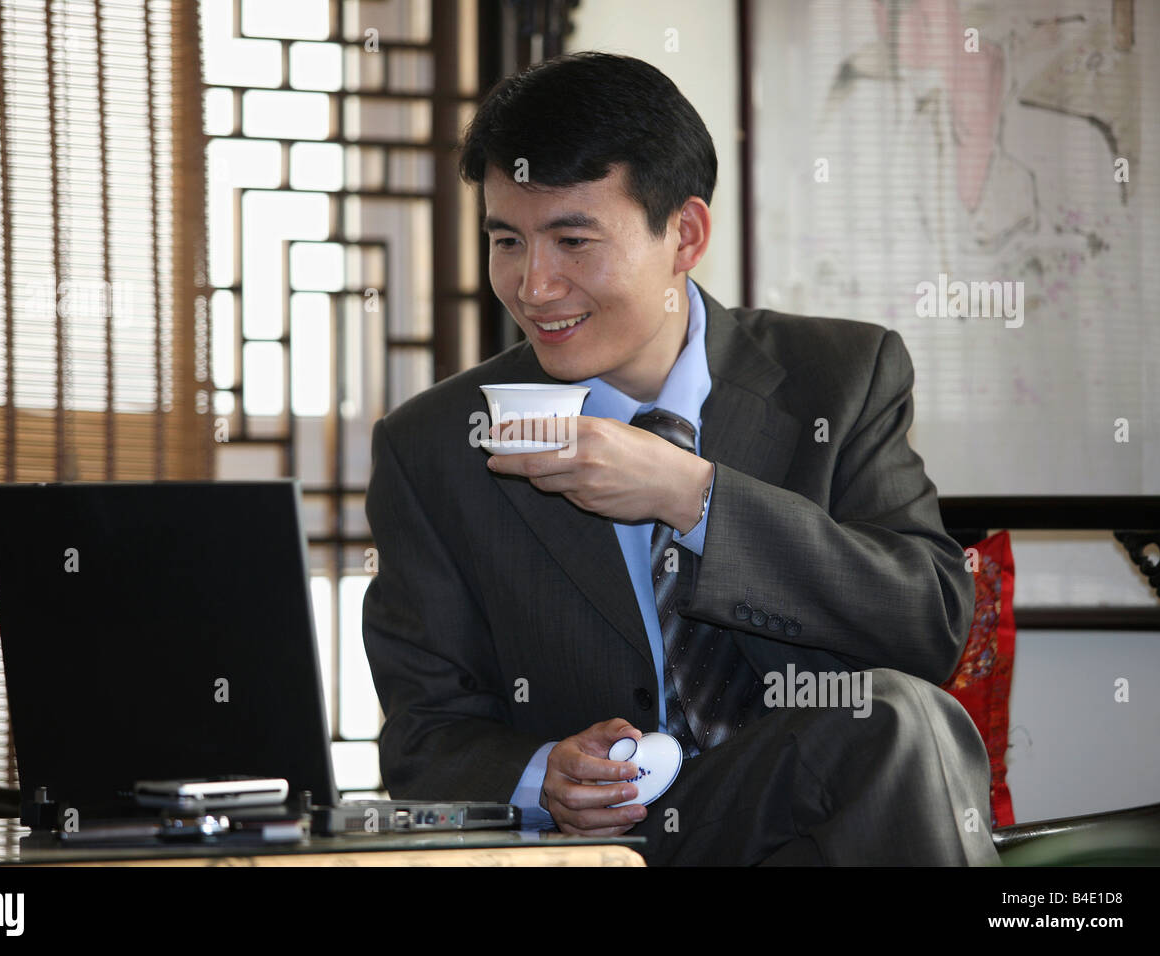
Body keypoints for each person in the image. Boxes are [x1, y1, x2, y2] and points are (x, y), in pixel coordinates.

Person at [361, 51, 999, 865]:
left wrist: (697, 499)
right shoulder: (437, 443)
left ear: (685, 234)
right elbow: (422, 739)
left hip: (802, 826)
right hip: (601, 853)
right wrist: (539, 774)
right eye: (507, 240)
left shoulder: (838, 379)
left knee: (894, 717)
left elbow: (927, 624)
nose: (533, 285)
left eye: (573, 240)